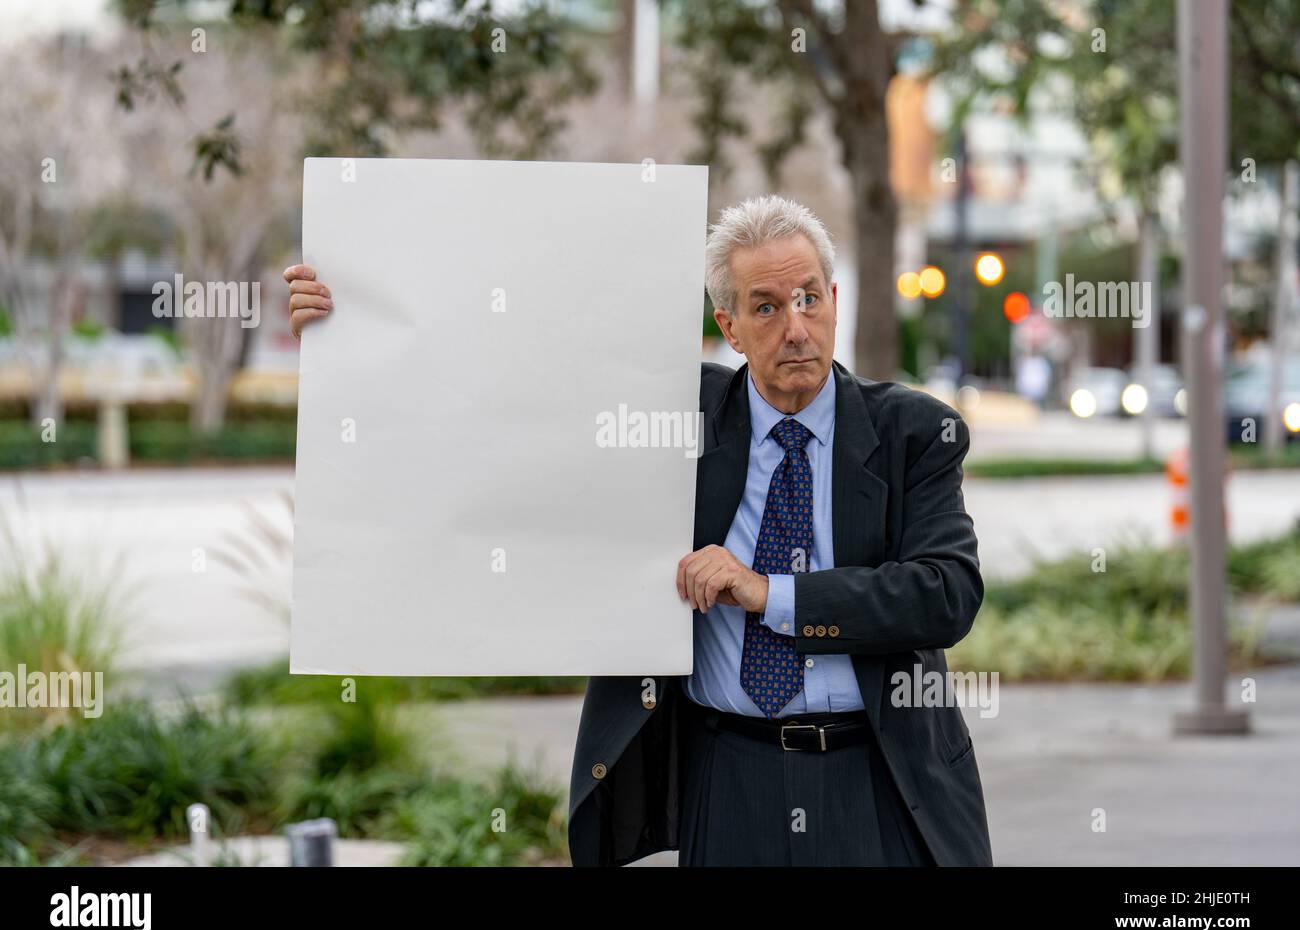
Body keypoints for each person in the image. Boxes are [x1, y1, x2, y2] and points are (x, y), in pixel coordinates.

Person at [284, 194, 992, 867]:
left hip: (877, 781)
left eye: (809, 297)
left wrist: (768, 592)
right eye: (766, 307)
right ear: (728, 325)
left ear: (835, 301)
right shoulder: (670, 419)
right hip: (730, 777)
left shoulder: (913, 432)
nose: (796, 327)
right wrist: (352, 331)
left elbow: (945, 593)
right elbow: (504, 387)